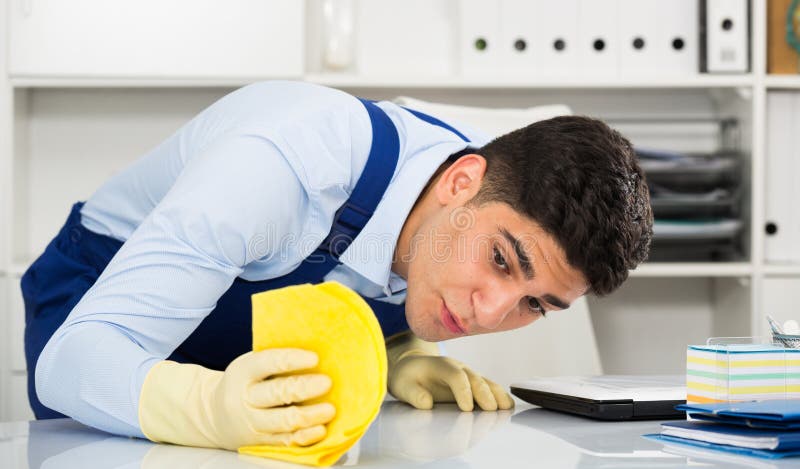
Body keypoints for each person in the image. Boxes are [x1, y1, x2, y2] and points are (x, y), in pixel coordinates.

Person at [21, 80, 653, 450]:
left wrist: (398, 351)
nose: (489, 313)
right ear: (460, 182)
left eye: (535, 304)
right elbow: (71, 364)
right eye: (501, 261)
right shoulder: (282, 168)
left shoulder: (460, 200)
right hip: (98, 303)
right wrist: (206, 407)